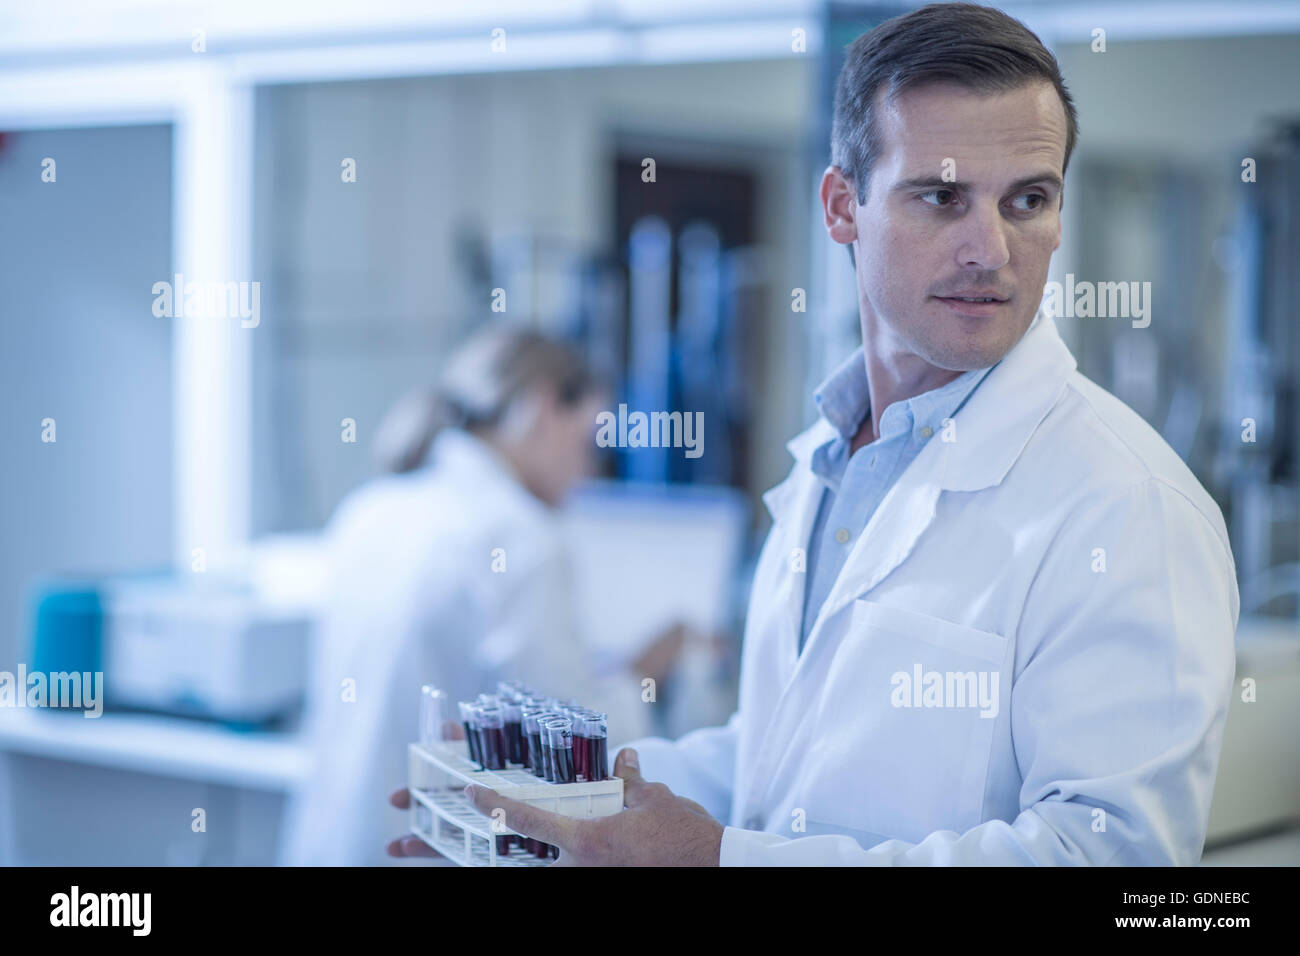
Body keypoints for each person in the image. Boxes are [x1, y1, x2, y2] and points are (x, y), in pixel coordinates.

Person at [403, 3, 1239, 865]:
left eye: (1028, 200)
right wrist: (557, 803)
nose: (991, 249)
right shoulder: (832, 464)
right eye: (942, 197)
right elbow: (776, 764)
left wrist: (723, 862)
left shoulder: (1128, 506)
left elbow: (1113, 868)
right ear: (843, 206)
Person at [281, 326, 681, 866]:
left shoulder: (371, 507)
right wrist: (645, 674)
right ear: (541, 408)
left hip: (327, 843)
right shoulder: (518, 534)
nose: (588, 469)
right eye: (587, 441)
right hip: (427, 849)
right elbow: (574, 750)